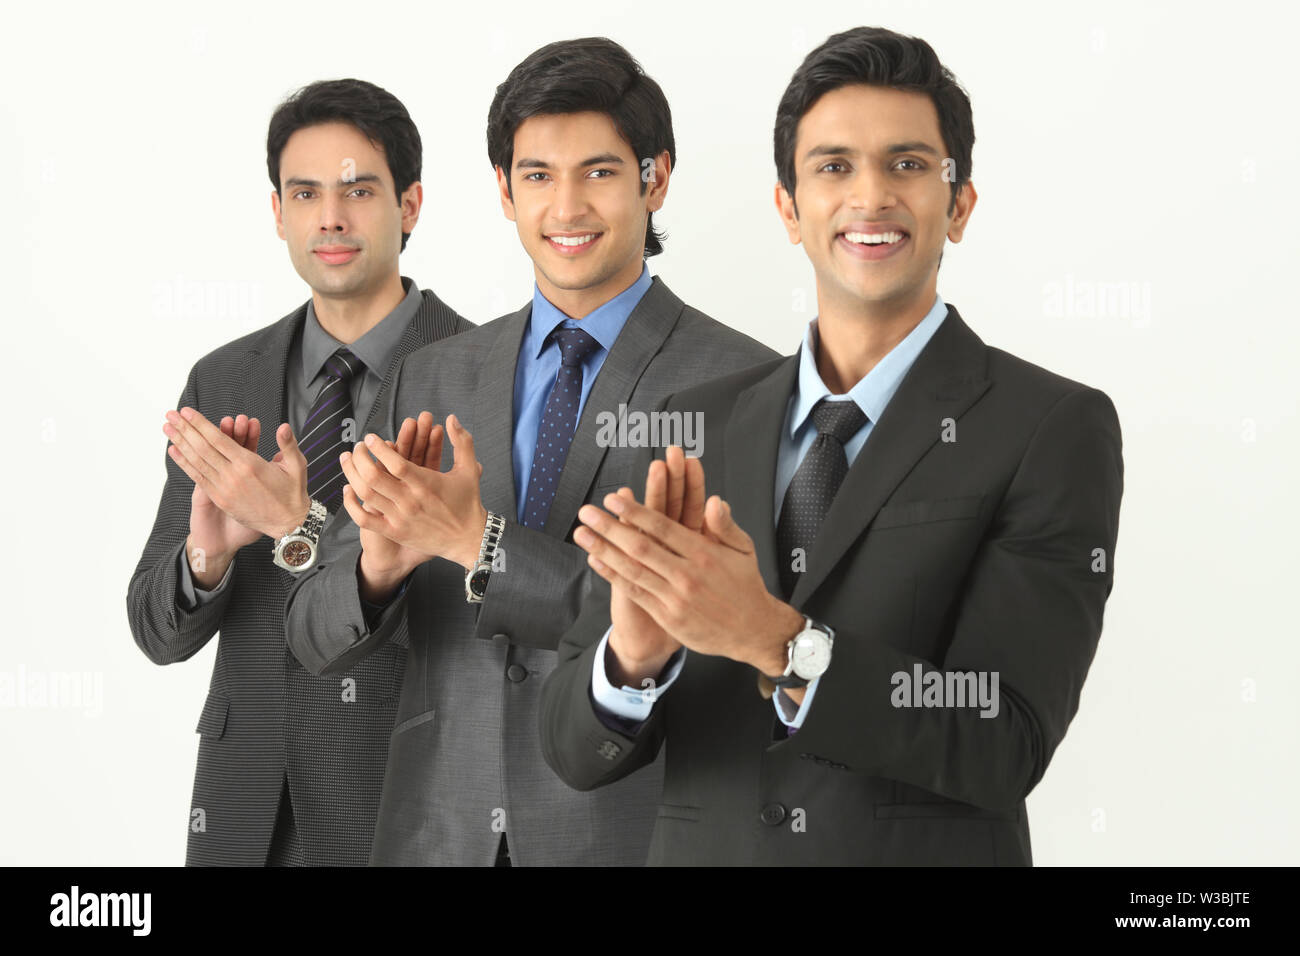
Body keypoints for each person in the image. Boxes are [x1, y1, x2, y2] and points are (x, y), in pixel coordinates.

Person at [540, 26, 1124, 865]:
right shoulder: (689, 425)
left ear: (959, 206)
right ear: (789, 208)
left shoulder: (1049, 426)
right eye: (834, 166)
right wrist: (631, 660)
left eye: (910, 164)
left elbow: (1004, 738)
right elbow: (570, 751)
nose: (871, 196)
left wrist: (774, 639)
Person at [284, 38, 776, 866]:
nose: (567, 207)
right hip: (437, 829)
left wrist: (478, 544)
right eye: (538, 176)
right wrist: (376, 569)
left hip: (629, 831)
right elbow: (311, 633)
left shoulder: (746, 382)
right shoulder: (430, 373)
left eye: (600, 172)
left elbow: (718, 633)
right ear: (505, 193)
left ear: (654, 180)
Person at [127, 79, 471, 865]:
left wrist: (299, 528)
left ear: (410, 206)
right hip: (244, 806)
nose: (331, 217)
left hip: (408, 801)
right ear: (277, 213)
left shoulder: (484, 374)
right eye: (305, 192)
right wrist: (205, 560)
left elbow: (490, 624)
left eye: (359, 190)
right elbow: (153, 629)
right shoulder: (223, 380)